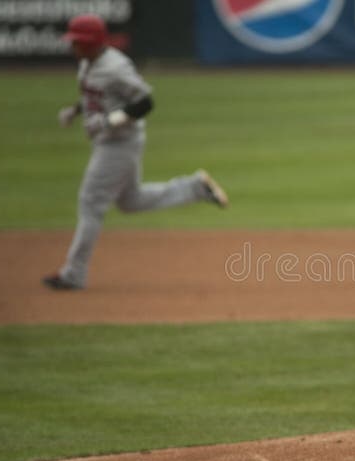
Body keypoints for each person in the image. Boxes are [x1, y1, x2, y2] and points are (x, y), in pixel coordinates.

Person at [43, 14, 229, 290]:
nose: (73, 47)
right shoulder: (88, 62)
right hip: (111, 141)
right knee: (130, 201)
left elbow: (144, 103)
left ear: (92, 42)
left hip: (120, 143)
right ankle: (194, 188)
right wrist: (76, 109)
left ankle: (74, 273)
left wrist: (109, 121)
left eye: (77, 42)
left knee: (91, 203)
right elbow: (98, 95)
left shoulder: (116, 67)